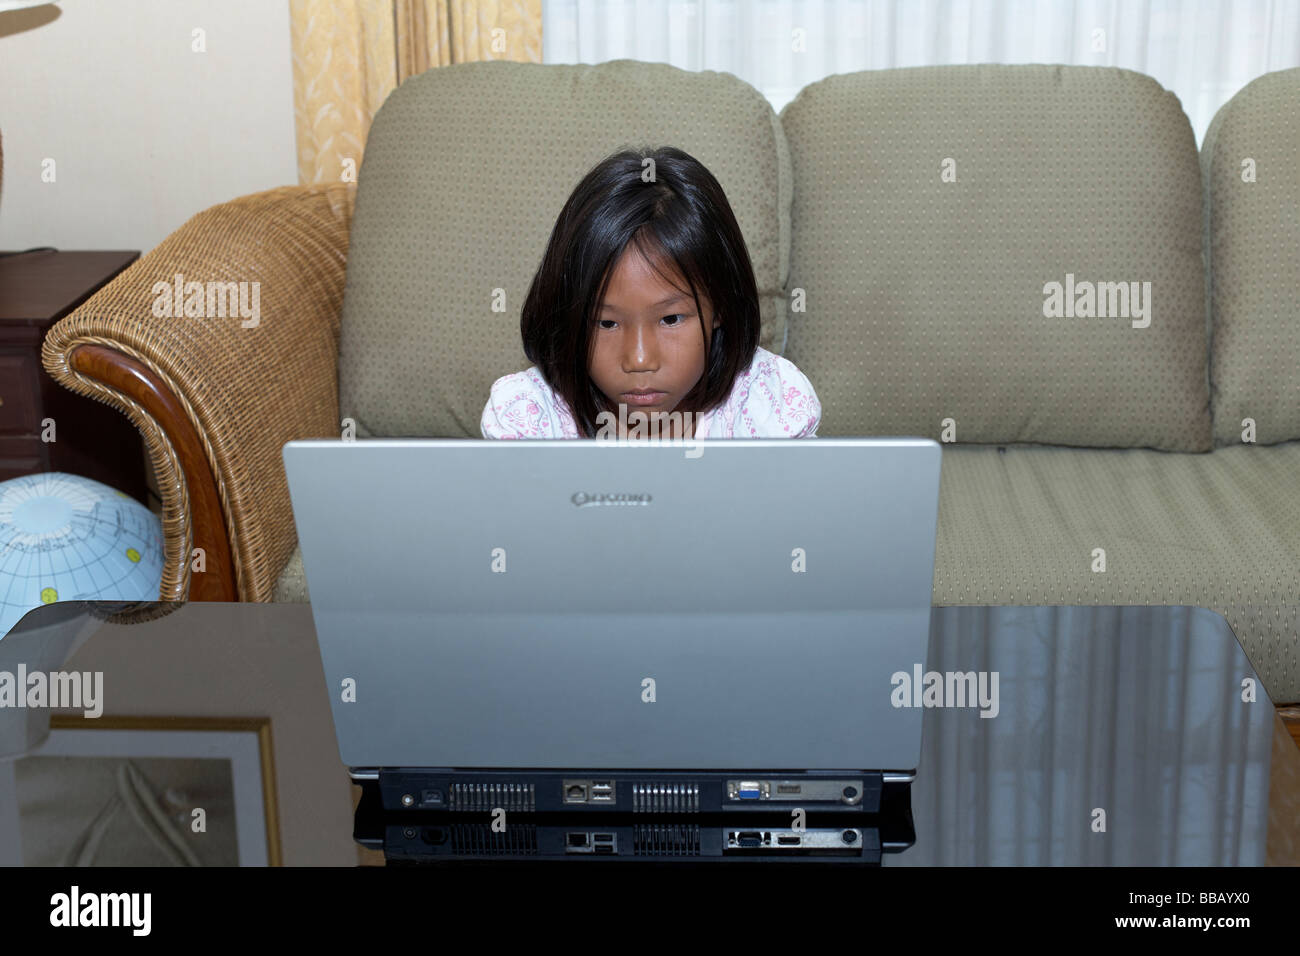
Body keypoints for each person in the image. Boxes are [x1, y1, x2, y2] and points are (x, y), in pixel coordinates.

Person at [480, 146, 820, 440]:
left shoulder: (769, 403)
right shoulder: (529, 417)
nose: (639, 360)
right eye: (606, 323)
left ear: (720, 305)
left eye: (671, 318)